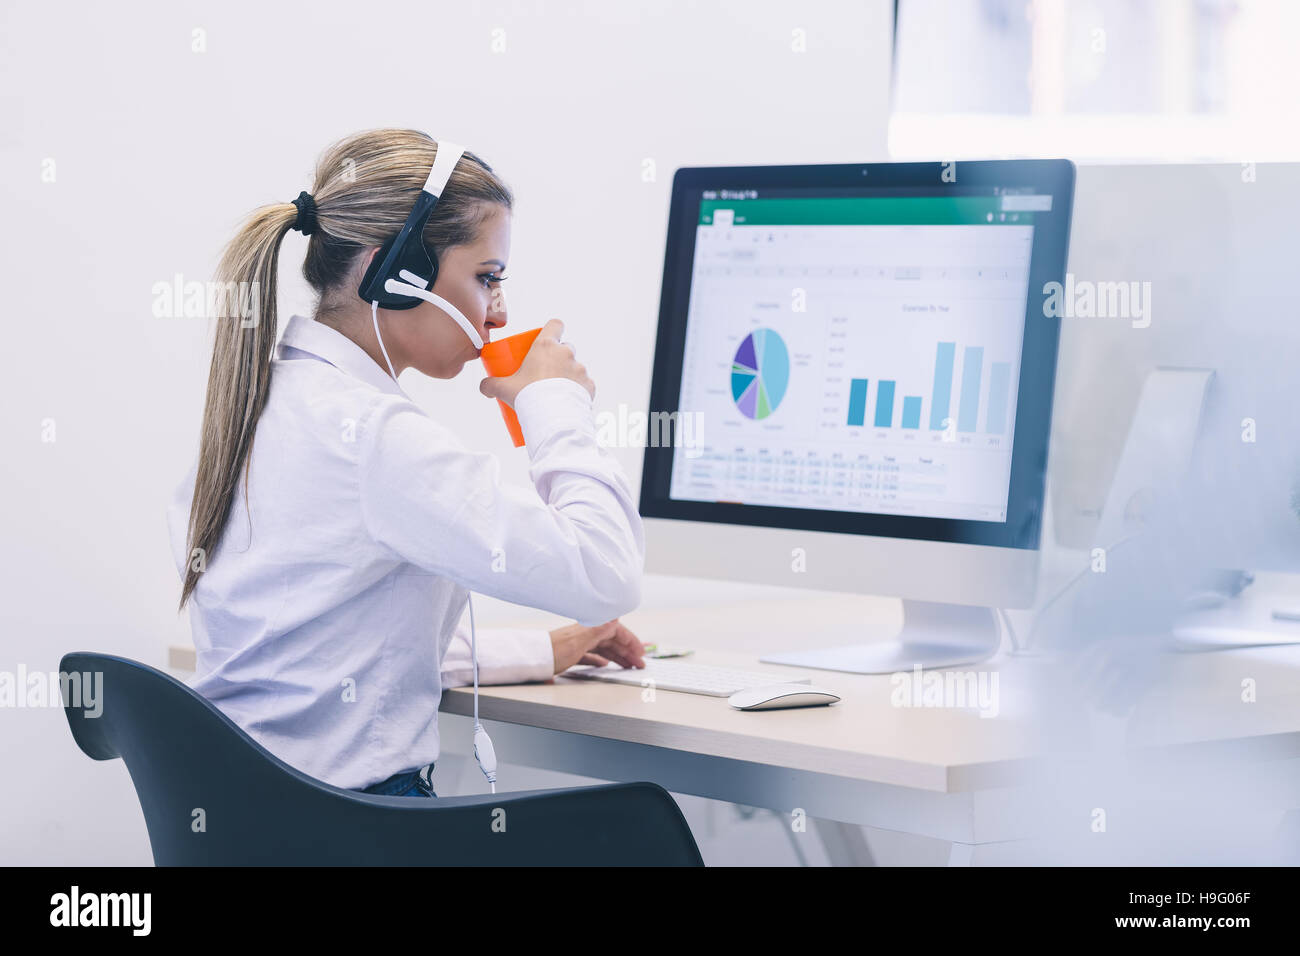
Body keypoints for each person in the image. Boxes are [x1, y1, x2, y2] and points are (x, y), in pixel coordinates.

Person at [167, 129, 646, 799]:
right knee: (634, 823)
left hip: (264, 824)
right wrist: (554, 401)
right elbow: (608, 571)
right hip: (360, 830)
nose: (500, 312)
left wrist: (542, 651)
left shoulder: (258, 406)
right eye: (487, 278)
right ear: (393, 273)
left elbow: (335, 655)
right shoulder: (373, 438)